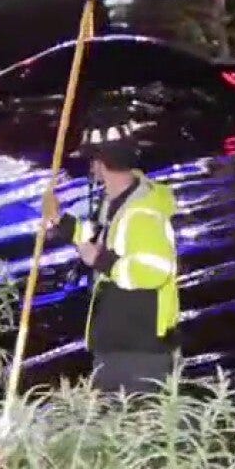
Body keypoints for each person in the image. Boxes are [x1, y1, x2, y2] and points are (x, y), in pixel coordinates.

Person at [46, 117, 181, 393]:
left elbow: (154, 270)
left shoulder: (141, 212)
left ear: (100, 164)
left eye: (90, 162)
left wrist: (100, 261)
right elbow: (101, 238)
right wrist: (60, 223)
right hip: (120, 342)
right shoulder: (119, 201)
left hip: (138, 350)